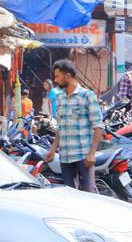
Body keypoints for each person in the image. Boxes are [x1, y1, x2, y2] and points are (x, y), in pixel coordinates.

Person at [44, 59, 103, 193]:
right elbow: (61, 127)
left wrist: (92, 153)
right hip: (65, 156)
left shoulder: (87, 96)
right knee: (71, 198)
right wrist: (53, 149)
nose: (55, 79)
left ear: (68, 76)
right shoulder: (59, 98)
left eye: (58, 76)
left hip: (84, 155)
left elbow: (98, 126)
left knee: (90, 195)